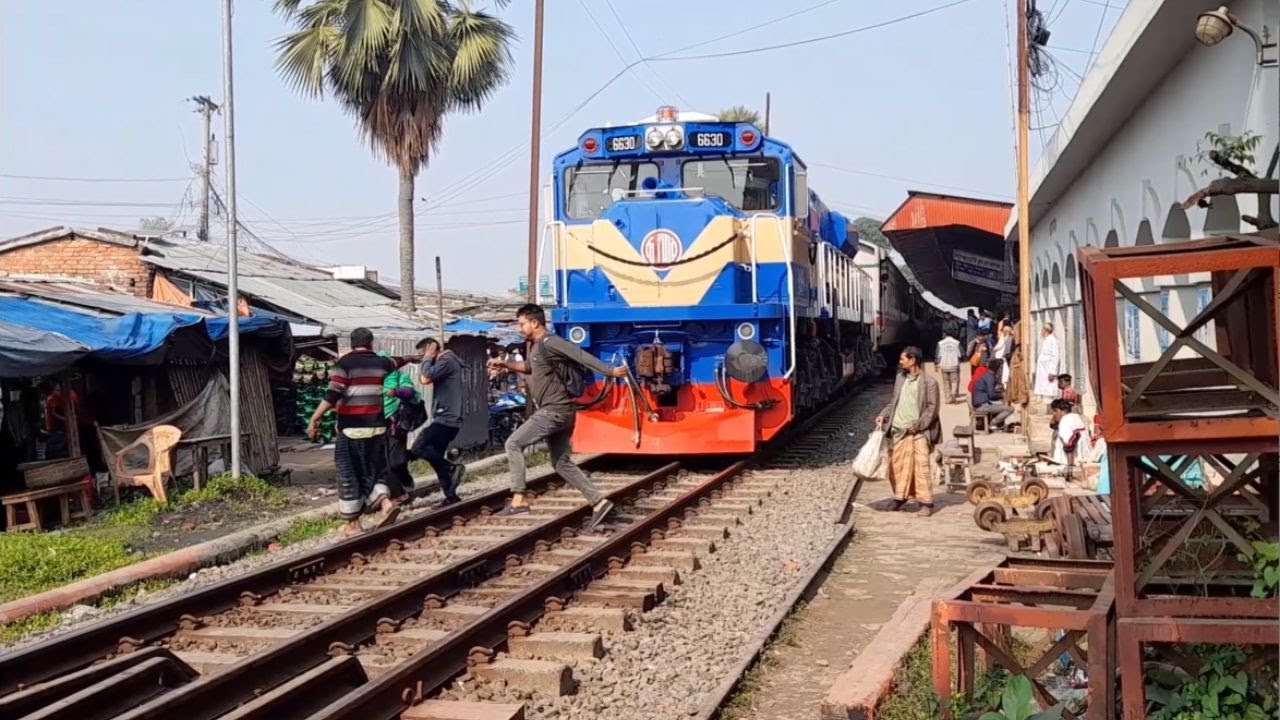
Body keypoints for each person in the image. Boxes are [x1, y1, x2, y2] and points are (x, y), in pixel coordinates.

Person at [487, 303, 629, 528]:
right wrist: (506, 364)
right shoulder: (535, 346)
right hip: (560, 411)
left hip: (554, 410)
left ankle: (519, 498)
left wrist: (609, 371)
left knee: (513, 443)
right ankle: (599, 503)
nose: (520, 328)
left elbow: (580, 355)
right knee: (561, 463)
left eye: (522, 323)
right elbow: (530, 368)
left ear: (535, 323)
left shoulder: (550, 342)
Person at [308, 328, 400, 536]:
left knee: (349, 473)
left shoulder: (344, 365)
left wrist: (314, 418)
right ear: (371, 343)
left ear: (351, 344)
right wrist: (419, 357)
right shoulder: (381, 362)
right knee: (374, 469)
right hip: (377, 428)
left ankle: (354, 524)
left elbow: (332, 394)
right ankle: (385, 503)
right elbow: (400, 360)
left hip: (351, 429)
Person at [874, 346, 941, 517]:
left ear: (913, 360)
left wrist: (918, 426)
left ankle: (925, 502)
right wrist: (883, 415)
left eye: (903, 359)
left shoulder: (929, 383)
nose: (900, 362)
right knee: (897, 467)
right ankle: (900, 497)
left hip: (918, 432)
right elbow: (894, 402)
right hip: (898, 431)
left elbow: (932, 410)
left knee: (921, 467)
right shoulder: (900, 379)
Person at [415, 337, 468, 507]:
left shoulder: (446, 360)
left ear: (432, 349)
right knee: (436, 456)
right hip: (446, 418)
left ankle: (452, 468)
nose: (424, 359)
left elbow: (425, 377)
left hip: (447, 418)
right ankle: (451, 495)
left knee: (419, 447)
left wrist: (427, 357)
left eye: (424, 354)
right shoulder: (446, 362)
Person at [381, 351, 423, 506]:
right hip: (375, 425)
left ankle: (407, 486)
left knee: (396, 461)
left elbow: (409, 392)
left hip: (395, 426)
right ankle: (396, 494)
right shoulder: (372, 381)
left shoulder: (399, 377)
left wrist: (395, 392)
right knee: (382, 463)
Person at [971, 358, 1015, 429]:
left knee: (1001, 404)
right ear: (996, 369)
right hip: (982, 406)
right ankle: (992, 423)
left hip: (979, 403)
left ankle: (998, 424)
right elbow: (991, 395)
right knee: (1010, 409)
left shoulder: (986, 375)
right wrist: (1001, 395)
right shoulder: (989, 376)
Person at [1048, 398, 1091, 466]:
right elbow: (1052, 425)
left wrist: (1070, 467)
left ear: (1063, 411)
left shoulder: (1065, 421)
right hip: (1082, 462)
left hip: (1069, 464)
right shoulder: (1075, 417)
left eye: (1055, 411)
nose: (1053, 414)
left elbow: (1069, 444)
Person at [1033, 322, 1061, 399]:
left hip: (1048, 370)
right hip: (1042, 369)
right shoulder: (1045, 340)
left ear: (1046, 330)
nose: (1041, 331)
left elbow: (1055, 356)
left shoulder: (1053, 340)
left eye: (1042, 329)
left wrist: (1052, 371)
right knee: (1043, 387)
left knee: (1049, 390)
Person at [935, 328, 962, 404]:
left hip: (944, 365)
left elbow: (937, 355)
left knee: (946, 382)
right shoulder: (957, 343)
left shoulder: (940, 343)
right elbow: (961, 354)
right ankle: (953, 394)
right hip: (954, 365)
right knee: (954, 381)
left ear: (945, 334)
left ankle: (948, 398)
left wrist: (936, 363)